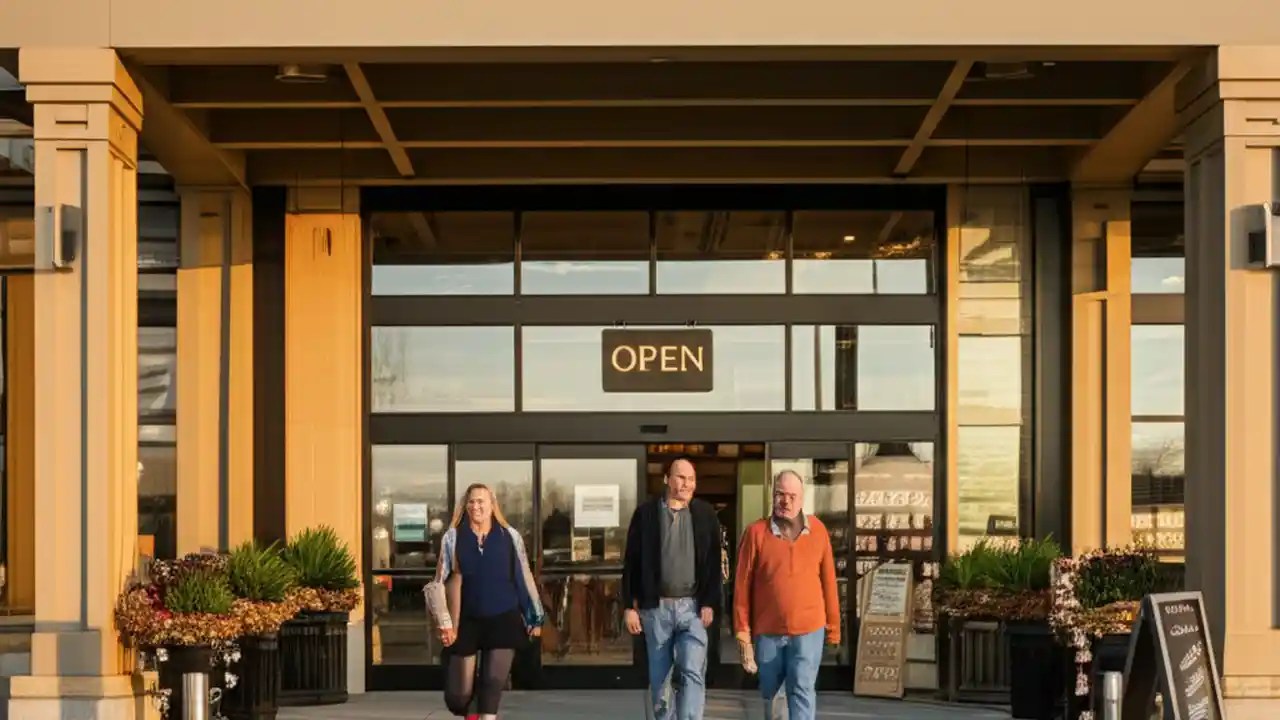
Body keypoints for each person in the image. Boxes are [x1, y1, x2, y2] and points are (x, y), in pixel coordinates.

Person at [733, 470, 841, 720]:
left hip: (808, 630)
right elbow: (742, 586)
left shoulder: (818, 531)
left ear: (802, 498)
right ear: (772, 496)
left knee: (802, 690)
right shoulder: (755, 532)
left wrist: (833, 627)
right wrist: (742, 632)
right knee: (772, 696)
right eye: (780, 494)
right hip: (768, 632)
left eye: (791, 496)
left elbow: (829, 582)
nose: (785, 501)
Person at [622, 456, 723, 720]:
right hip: (656, 609)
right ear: (667, 479)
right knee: (661, 679)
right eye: (681, 477)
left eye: (691, 479)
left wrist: (710, 602)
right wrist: (628, 607)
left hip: (693, 608)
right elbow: (631, 562)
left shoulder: (704, 514)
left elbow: (713, 562)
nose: (686, 483)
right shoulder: (646, 515)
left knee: (692, 670)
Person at [435, 483, 544, 720]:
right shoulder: (453, 537)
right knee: (459, 696)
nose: (476, 506)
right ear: (465, 506)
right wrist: (443, 621)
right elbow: (439, 582)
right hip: (465, 620)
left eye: (481, 501)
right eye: (471, 501)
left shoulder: (509, 536)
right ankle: (470, 709)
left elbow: (522, 576)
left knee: (493, 684)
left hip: (503, 616)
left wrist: (534, 616)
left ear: (492, 506)